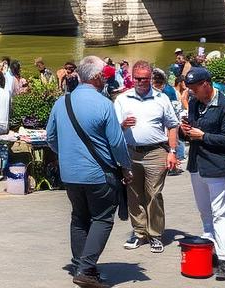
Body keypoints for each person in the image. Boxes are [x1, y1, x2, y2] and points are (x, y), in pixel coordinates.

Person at [46, 57, 132, 288]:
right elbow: (116, 143)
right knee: (102, 218)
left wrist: (67, 153)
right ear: (94, 77)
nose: (105, 78)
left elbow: (51, 139)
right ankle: (85, 268)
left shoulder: (61, 103)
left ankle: (80, 264)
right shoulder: (104, 104)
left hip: (70, 174)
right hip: (98, 173)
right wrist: (125, 167)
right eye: (103, 75)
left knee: (79, 217)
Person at [114, 60, 179, 254]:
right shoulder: (122, 99)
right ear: (132, 78)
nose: (142, 82)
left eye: (145, 78)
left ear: (151, 78)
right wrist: (123, 125)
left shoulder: (161, 98)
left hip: (156, 151)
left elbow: (172, 125)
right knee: (133, 194)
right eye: (138, 78)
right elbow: (112, 129)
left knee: (154, 194)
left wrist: (172, 152)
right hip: (130, 152)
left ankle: (156, 234)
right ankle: (139, 232)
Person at [180, 67, 225, 280]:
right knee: (205, 212)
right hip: (196, 165)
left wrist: (203, 136)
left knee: (220, 213)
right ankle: (209, 249)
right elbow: (190, 133)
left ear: (206, 84)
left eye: (195, 88)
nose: (193, 93)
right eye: (190, 90)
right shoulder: (194, 103)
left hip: (216, 166)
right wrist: (184, 132)